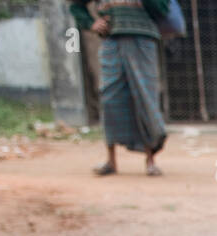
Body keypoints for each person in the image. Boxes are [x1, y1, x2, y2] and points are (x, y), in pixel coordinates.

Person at [70, 0, 166, 176]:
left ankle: (150, 160)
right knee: (109, 98)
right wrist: (91, 23)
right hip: (111, 41)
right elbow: (76, 6)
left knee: (145, 97)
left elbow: (163, 9)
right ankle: (111, 161)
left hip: (143, 40)